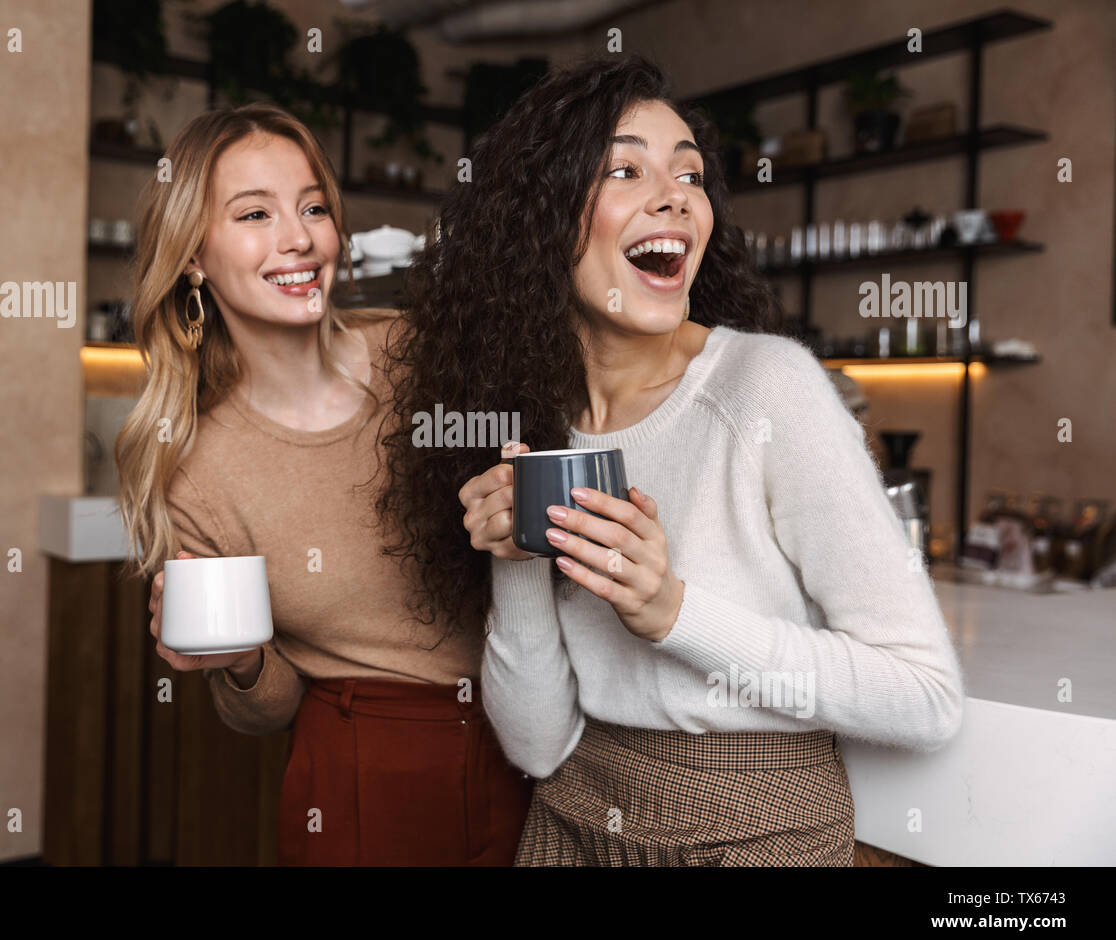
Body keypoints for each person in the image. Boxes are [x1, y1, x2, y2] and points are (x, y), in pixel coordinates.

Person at [376, 55, 965, 865]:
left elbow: (925, 697)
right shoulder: (544, 430)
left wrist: (673, 613)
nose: (675, 195)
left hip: (756, 832)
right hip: (571, 823)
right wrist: (514, 563)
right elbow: (539, 746)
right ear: (542, 223)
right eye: (626, 169)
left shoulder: (768, 388)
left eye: (689, 174)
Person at [116, 103, 532, 866]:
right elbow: (269, 708)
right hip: (367, 779)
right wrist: (237, 659)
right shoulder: (200, 472)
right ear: (192, 258)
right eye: (254, 214)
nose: (299, 238)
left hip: (542, 741)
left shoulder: (426, 354)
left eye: (313, 207)